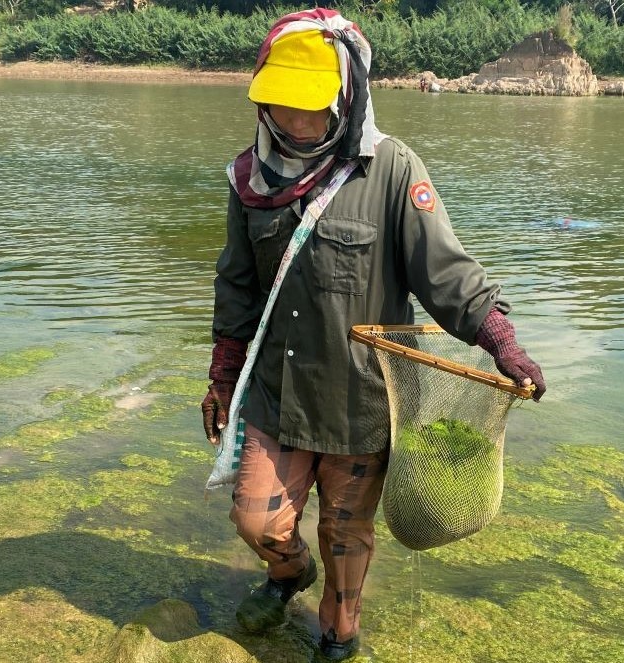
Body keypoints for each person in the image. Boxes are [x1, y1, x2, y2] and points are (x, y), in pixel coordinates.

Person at [200, 9, 545, 661]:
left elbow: (446, 273)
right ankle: (287, 573)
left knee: (345, 534)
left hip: (361, 400)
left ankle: (339, 634)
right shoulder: (249, 180)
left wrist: (502, 340)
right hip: (276, 393)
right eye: (280, 103)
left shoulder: (392, 169)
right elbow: (237, 287)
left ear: (344, 97)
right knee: (256, 518)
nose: (294, 120)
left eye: (309, 106)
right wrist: (222, 376)